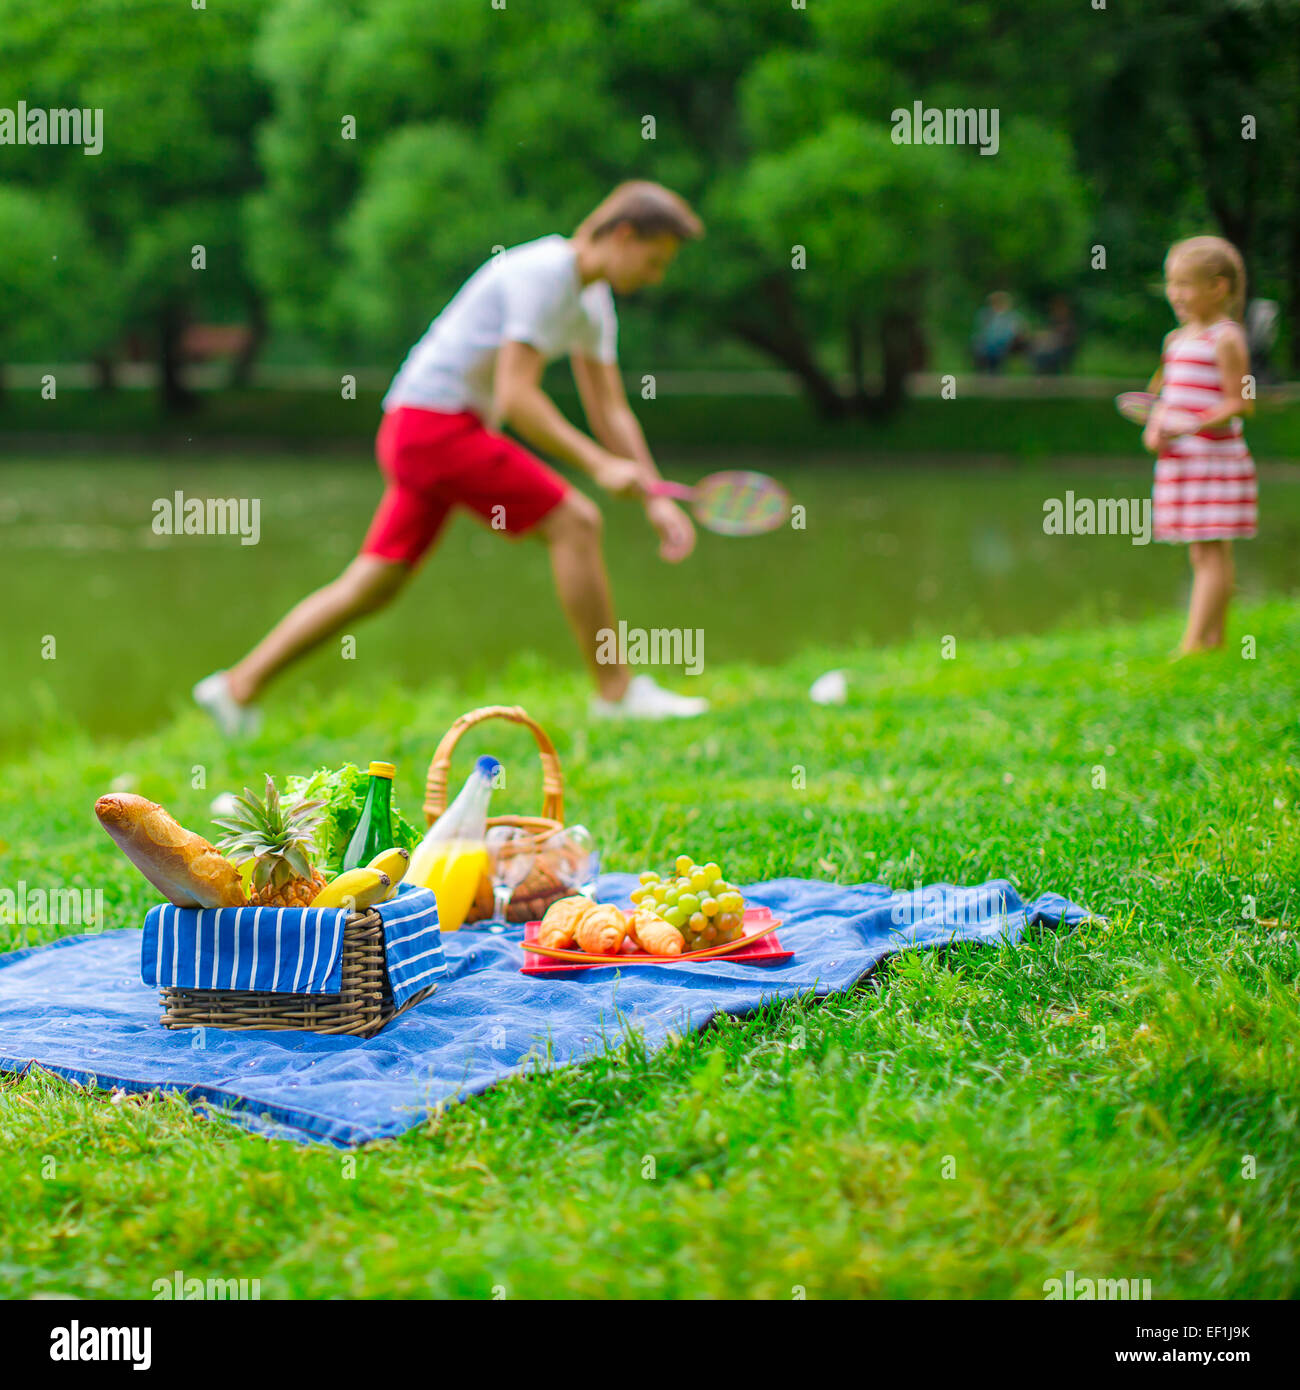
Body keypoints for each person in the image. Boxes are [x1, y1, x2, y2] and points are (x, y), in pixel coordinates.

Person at [194, 182, 710, 734]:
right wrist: (599, 464)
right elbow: (517, 397)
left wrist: (655, 496)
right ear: (623, 234)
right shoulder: (546, 274)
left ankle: (235, 688)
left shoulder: (591, 302)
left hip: (421, 427)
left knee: (375, 583)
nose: (654, 277)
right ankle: (616, 694)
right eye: (653, 262)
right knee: (576, 522)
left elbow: (611, 410)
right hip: (434, 427)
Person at [1142, 235, 1257, 654]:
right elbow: (1163, 394)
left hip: (1214, 458)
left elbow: (1241, 401)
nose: (1176, 295)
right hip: (1183, 460)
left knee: (1211, 551)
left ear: (1219, 287)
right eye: (1171, 284)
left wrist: (1191, 424)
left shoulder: (1227, 339)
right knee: (1201, 552)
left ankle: (1193, 645)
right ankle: (1215, 640)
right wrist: (1155, 424)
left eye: (1185, 284)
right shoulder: (1175, 340)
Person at [971, 291, 1024, 372]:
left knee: (996, 351)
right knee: (980, 349)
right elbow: (982, 332)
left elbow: (1016, 332)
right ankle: (983, 374)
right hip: (988, 344)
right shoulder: (986, 314)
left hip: (1005, 344)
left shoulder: (1012, 317)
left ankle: (994, 373)